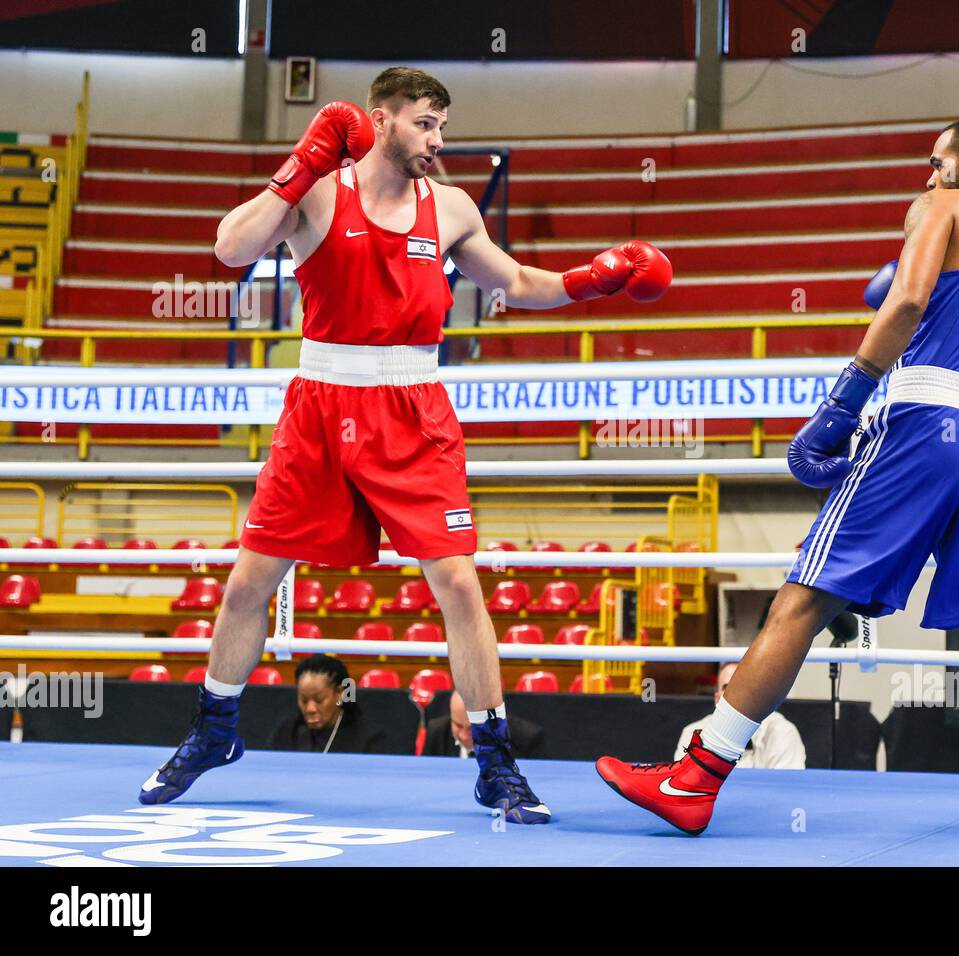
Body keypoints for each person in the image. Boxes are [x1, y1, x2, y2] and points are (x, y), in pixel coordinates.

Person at [138, 67, 672, 825]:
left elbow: (515, 280)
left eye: (442, 126)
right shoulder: (320, 191)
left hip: (413, 410)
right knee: (249, 581)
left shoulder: (449, 206)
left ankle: (495, 764)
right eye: (424, 123)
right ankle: (213, 731)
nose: (437, 140)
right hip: (320, 406)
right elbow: (229, 249)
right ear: (381, 119)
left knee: (457, 584)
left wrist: (597, 279)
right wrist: (300, 163)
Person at [598, 116, 959, 840]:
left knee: (802, 599)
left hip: (929, 425)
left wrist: (842, 405)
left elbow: (908, 301)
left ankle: (693, 777)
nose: (926, 178)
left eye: (936, 162)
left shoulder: (947, 206)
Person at [676, 663, 804, 769]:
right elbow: (684, 792)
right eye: (727, 688)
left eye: (743, 685)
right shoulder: (692, 734)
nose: (735, 694)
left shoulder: (782, 733)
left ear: (758, 693)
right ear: (717, 699)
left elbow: (785, 791)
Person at [266, 654, 388, 754]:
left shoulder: (369, 740)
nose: (310, 709)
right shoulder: (286, 733)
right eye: (304, 700)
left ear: (340, 693)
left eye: (319, 700)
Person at [423, 690, 544, 758]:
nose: (463, 736)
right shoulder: (437, 731)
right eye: (458, 726)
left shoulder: (526, 738)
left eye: (472, 728)